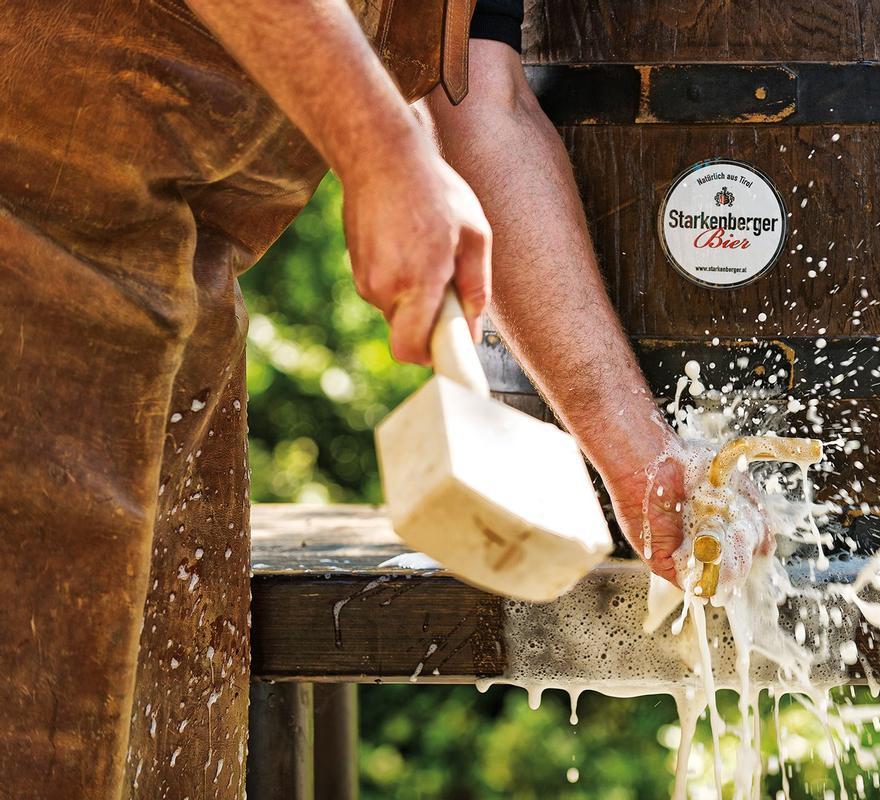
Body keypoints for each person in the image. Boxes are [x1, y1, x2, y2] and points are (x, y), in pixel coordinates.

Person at [0, 0, 688, 796]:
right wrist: (380, 147)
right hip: (22, 275)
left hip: (179, 315)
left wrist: (639, 459)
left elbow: (480, 109)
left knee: (167, 744)